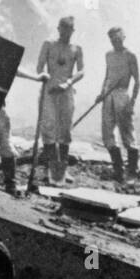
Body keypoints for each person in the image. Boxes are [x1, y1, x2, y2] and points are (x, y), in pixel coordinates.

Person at [36, 16, 84, 186]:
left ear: (73, 31)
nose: (65, 32)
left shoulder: (76, 48)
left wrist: (68, 83)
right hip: (50, 89)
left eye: (69, 29)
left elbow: (81, 71)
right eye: (62, 29)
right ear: (58, 29)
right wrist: (47, 78)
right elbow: (39, 67)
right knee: (48, 125)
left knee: (65, 128)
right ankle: (49, 168)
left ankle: (62, 169)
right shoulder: (48, 44)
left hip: (66, 90)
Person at [96, 26, 140, 182]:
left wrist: (132, 103)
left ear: (124, 37)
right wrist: (102, 93)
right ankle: (118, 169)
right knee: (107, 133)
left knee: (127, 132)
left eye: (118, 39)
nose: (115, 42)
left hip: (122, 94)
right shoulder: (108, 55)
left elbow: (137, 82)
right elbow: (107, 76)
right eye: (112, 39)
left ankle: (133, 171)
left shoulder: (130, 55)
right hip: (108, 96)